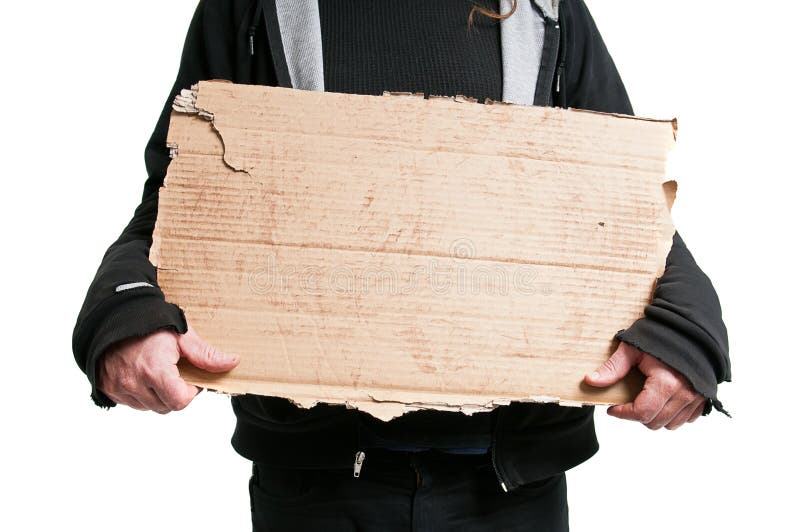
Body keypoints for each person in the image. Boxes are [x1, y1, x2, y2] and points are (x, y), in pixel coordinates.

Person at [73, 1, 731, 530]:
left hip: (509, 491)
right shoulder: (252, 9)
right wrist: (126, 311)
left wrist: (684, 330)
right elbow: (178, 203)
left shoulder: (544, 12)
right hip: (318, 489)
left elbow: (621, 204)